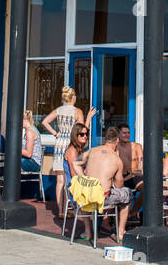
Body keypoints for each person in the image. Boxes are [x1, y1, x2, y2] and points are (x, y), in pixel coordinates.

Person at [42, 87, 95, 215]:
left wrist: (56, 133)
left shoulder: (58, 110)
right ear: (74, 97)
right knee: (72, 177)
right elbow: (82, 130)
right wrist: (88, 117)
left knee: (60, 180)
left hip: (60, 144)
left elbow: (44, 122)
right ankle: (74, 205)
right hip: (71, 144)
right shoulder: (78, 111)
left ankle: (61, 211)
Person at [81, 127, 132, 242]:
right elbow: (119, 185)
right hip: (102, 198)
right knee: (127, 193)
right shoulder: (116, 159)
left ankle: (88, 232)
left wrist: (82, 176)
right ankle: (120, 232)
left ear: (105, 139)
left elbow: (76, 162)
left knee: (84, 193)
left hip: (86, 195)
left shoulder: (91, 151)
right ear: (117, 140)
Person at [116, 123, 144, 188]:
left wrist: (129, 176)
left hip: (135, 177)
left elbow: (140, 169)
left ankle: (137, 199)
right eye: (124, 133)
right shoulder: (116, 148)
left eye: (128, 133)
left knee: (144, 187)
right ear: (118, 134)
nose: (127, 135)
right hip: (121, 177)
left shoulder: (137, 146)